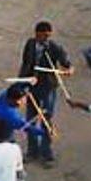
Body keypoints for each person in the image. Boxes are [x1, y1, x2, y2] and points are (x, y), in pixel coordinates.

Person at [18, 21, 71, 165]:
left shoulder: (53, 47)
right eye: (43, 36)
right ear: (37, 34)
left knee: (47, 119)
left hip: (48, 87)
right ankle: (32, 151)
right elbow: (25, 64)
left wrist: (69, 69)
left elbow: (66, 62)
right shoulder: (30, 44)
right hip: (32, 86)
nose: (46, 39)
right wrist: (22, 84)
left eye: (48, 36)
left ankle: (47, 153)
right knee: (31, 119)